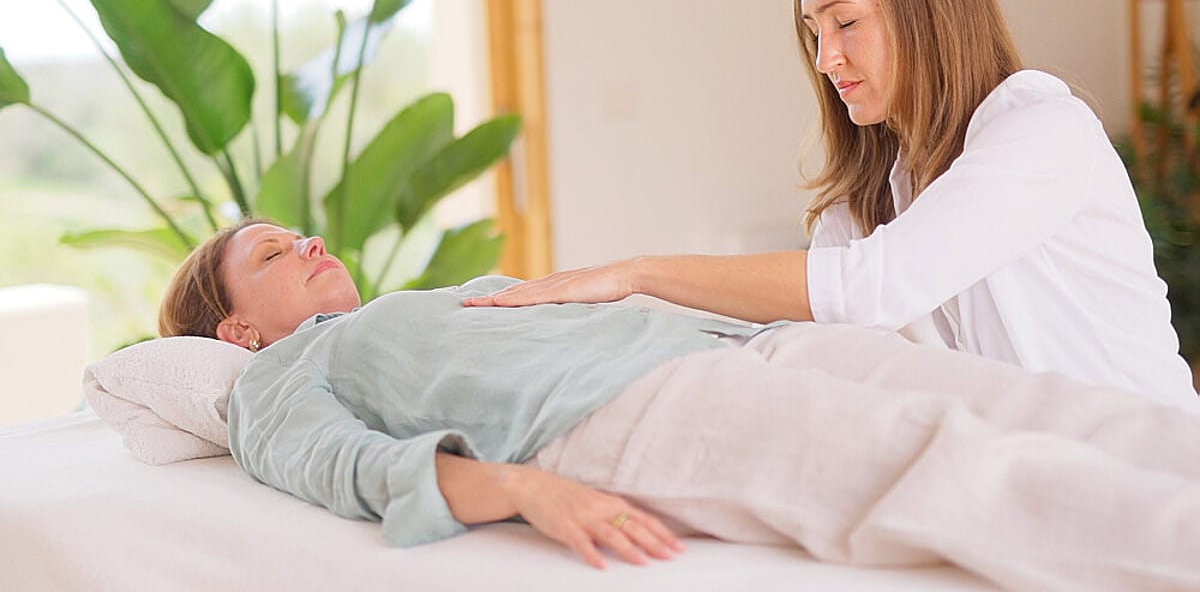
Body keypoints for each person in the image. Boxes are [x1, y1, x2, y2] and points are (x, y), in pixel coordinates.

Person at [159, 219, 1200, 591]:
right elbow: (350, 468)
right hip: (629, 407)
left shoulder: (406, 304)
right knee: (938, 458)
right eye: (269, 252)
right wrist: (519, 487)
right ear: (236, 330)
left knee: (1031, 403)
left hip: (731, 340)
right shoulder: (274, 385)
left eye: (298, 234)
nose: (305, 244)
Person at [462, 0, 1198, 412]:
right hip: (1041, 472)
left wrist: (635, 274)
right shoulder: (873, 192)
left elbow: (874, 285)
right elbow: (801, 342)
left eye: (845, 23)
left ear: (926, 14)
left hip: (1153, 467)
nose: (825, 57)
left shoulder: (1043, 128)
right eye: (815, 31)